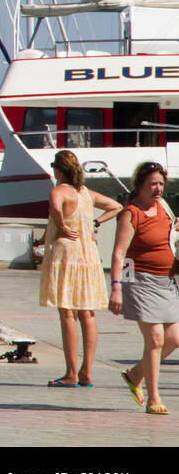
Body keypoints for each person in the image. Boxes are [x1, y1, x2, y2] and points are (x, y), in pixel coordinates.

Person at [41, 149, 121, 389]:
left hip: (66, 255)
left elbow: (55, 206)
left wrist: (61, 225)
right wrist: (95, 222)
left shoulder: (59, 191)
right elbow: (116, 206)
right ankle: (87, 372)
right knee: (88, 314)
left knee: (68, 313)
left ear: (58, 169)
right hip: (88, 257)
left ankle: (71, 373)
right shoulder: (86, 193)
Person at [111, 162, 179, 414]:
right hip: (139, 280)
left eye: (161, 183)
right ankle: (154, 398)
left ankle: (134, 375)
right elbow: (118, 253)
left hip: (167, 280)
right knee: (156, 340)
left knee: (174, 338)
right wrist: (116, 287)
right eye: (152, 183)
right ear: (139, 185)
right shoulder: (131, 213)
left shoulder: (163, 207)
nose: (158, 188)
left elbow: (170, 235)